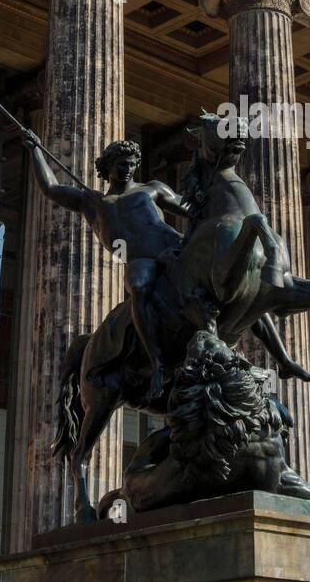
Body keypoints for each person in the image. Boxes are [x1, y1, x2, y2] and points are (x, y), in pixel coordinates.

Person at [21, 132, 197, 405]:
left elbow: (189, 208)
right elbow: (51, 189)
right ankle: (158, 361)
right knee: (138, 285)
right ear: (108, 167)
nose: (127, 169)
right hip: (143, 262)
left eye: (131, 163)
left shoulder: (152, 189)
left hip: (173, 249)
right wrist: (35, 151)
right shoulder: (94, 203)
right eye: (121, 164)